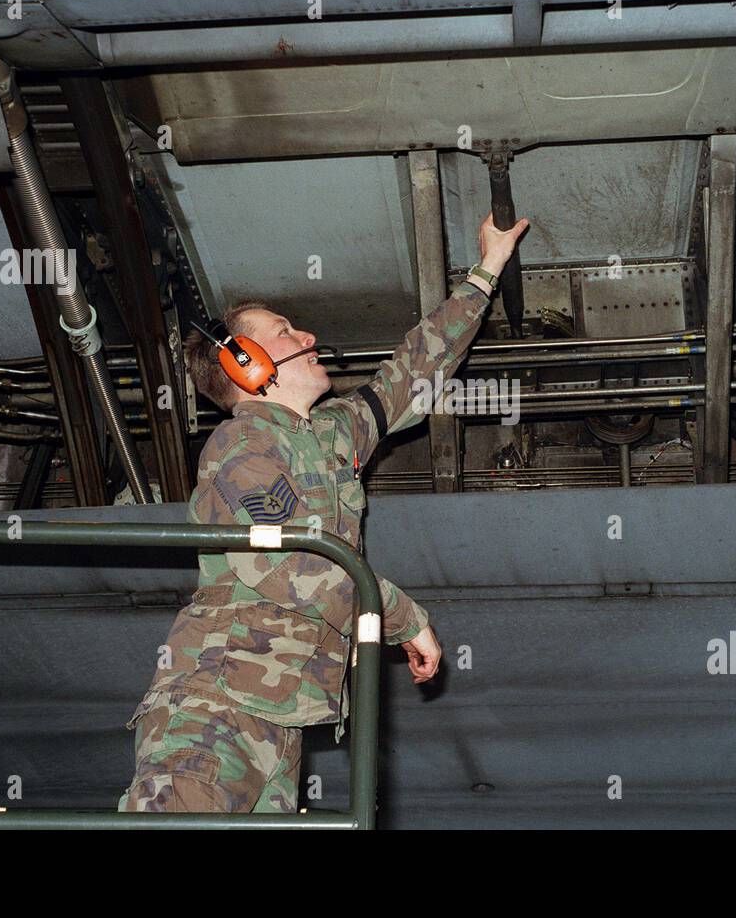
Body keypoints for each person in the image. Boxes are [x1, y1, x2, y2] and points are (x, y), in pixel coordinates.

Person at [118, 211, 529, 813]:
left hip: (277, 717)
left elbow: (417, 367)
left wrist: (487, 267)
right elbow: (286, 565)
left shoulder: (333, 434)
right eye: (285, 332)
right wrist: (402, 617)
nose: (308, 337)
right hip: (213, 704)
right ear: (245, 363)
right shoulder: (241, 445)